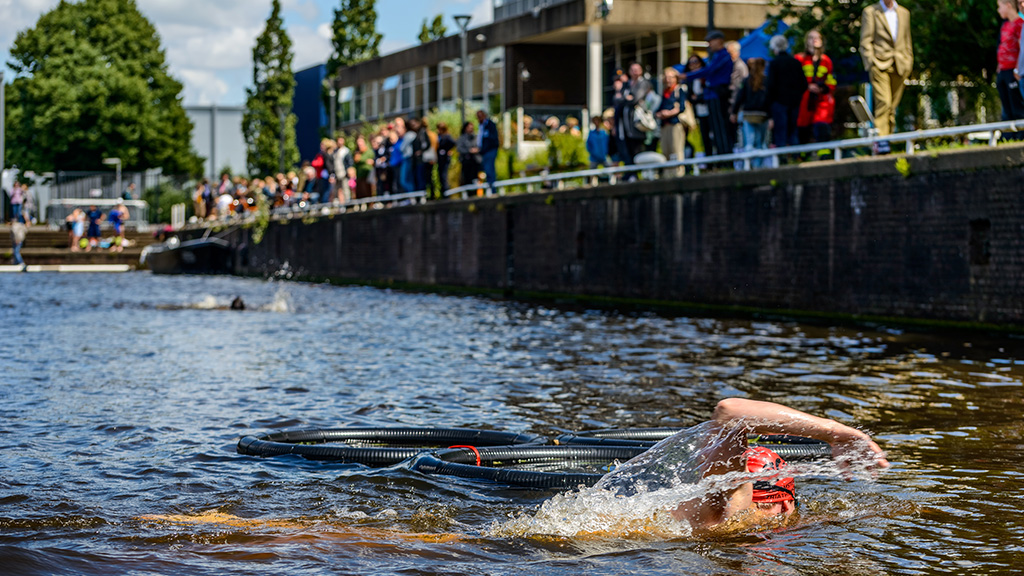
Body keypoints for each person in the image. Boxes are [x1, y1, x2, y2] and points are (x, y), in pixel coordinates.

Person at [599, 398, 889, 531]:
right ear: (785, 504)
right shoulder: (729, 507)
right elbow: (729, 411)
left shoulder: (698, 505)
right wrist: (835, 431)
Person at [676, 31, 735, 156]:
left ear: (719, 41)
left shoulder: (722, 56)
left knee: (720, 129)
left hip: (718, 95)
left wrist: (687, 75)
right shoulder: (717, 56)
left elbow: (708, 70)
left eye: (710, 41)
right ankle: (721, 157)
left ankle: (725, 159)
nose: (709, 45)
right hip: (713, 95)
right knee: (716, 129)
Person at [860, 0, 914, 136]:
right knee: (884, 102)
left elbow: (907, 40)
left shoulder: (904, 12)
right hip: (879, 64)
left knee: (892, 107)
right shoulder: (871, 11)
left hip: (900, 65)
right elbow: (865, 41)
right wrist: (871, 63)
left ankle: (888, 140)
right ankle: (881, 141)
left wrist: (908, 63)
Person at [796, 30, 838, 145]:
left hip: (821, 99)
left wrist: (823, 88)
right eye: (811, 37)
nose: (815, 40)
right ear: (806, 41)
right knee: (803, 127)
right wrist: (807, 86)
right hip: (804, 99)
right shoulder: (800, 59)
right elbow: (794, 79)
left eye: (818, 37)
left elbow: (831, 81)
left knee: (821, 124)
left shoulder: (826, 61)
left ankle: (824, 154)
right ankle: (802, 155)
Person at [766, 35, 808, 149]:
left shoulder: (774, 64)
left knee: (781, 133)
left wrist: (771, 103)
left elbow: (770, 86)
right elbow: (804, 84)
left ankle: (782, 159)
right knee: (793, 131)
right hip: (794, 102)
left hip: (779, 103)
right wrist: (797, 96)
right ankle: (795, 156)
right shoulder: (795, 62)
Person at [730, 58, 770, 167]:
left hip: (749, 114)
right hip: (763, 115)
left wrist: (734, 112)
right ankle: (758, 167)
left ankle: (747, 166)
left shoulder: (746, 80)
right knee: (760, 143)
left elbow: (739, 97)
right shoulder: (767, 81)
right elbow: (770, 99)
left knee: (749, 143)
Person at [996, 0, 1024, 122]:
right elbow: (1002, 45)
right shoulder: (1005, 25)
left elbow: (1021, 47)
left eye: (999, 7)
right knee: (1006, 106)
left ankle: (1020, 134)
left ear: (1008, 5)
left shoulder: (1020, 24)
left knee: (1016, 105)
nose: (998, 10)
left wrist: (1018, 68)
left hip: (1014, 71)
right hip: (1003, 69)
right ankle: (1008, 136)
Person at [656, 67, 686, 176]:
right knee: (666, 151)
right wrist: (659, 114)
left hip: (675, 124)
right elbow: (658, 108)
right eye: (666, 77)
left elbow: (682, 107)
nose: (668, 79)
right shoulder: (665, 93)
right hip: (665, 125)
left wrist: (669, 113)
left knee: (676, 150)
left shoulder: (679, 90)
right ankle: (667, 175)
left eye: (671, 77)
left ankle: (678, 174)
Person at [476, 109, 500, 194]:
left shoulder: (489, 125)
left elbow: (492, 138)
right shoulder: (481, 126)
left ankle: (493, 190)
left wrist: (484, 148)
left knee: (489, 169)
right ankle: (490, 189)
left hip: (489, 150)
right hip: (484, 151)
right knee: (486, 170)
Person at [456, 121, 480, 187]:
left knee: (475, 178)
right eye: (469, 128)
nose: (471, 129)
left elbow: (480, 146)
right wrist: (469, 150)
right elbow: (459, 148)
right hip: (466, 161)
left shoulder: (476, 137)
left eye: (472, 128)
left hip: (475, 160)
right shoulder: (462, 138)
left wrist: (477, 150)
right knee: (467, 178)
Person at [436, 122, 456, 197]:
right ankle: (443, 193)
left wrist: (448, 150)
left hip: (445, 159)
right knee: (441, 175)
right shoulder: (439, 136)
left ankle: (446, 193)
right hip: (440, 159)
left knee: (444, 175)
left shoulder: (447, 136)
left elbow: (453, 143)